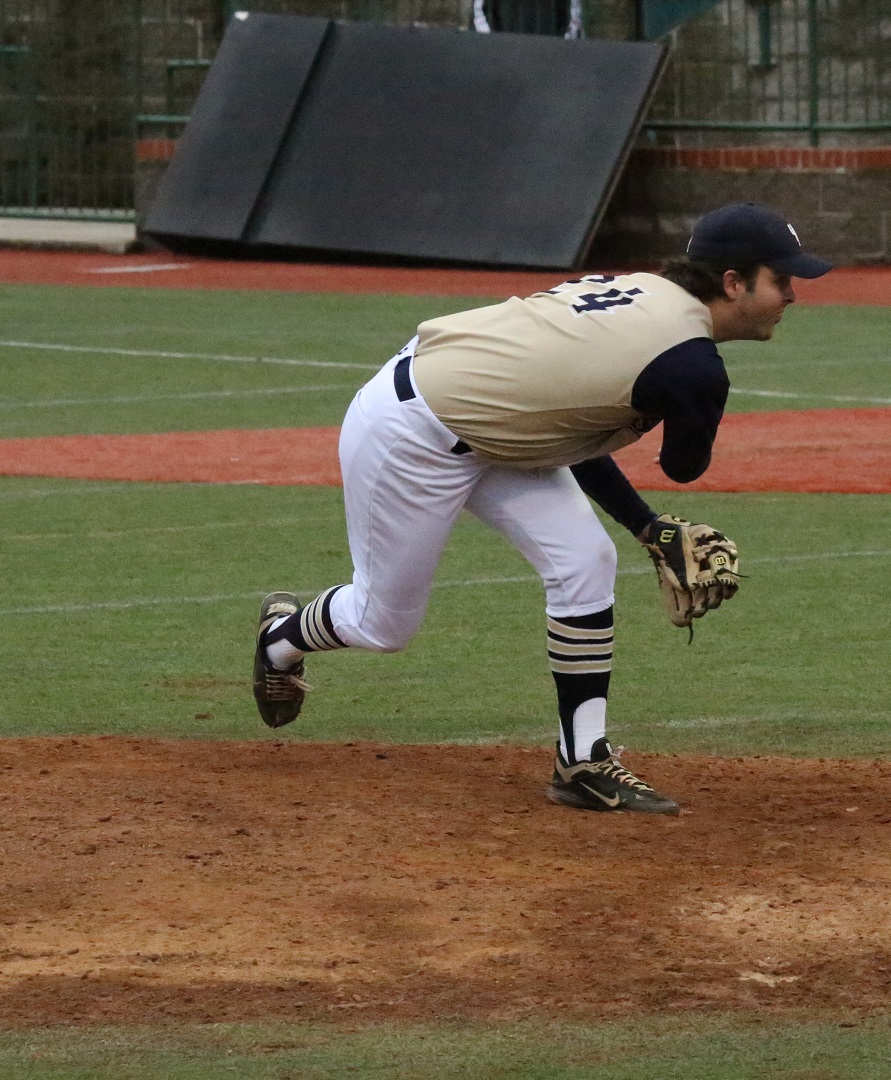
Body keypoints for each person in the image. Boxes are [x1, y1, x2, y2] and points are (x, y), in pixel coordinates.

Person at [251, 203, 831, 815]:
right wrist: (689, 406)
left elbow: (562, 423)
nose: (792, 295)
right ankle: (280, 638)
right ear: (733, 283)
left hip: (487, 419)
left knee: (584, 561)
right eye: (782, 280)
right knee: (382, 625)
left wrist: (646, 526)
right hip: (412, 431)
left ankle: (581, 762)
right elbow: (683, 466)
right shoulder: (690, 363)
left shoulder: (650, 295)